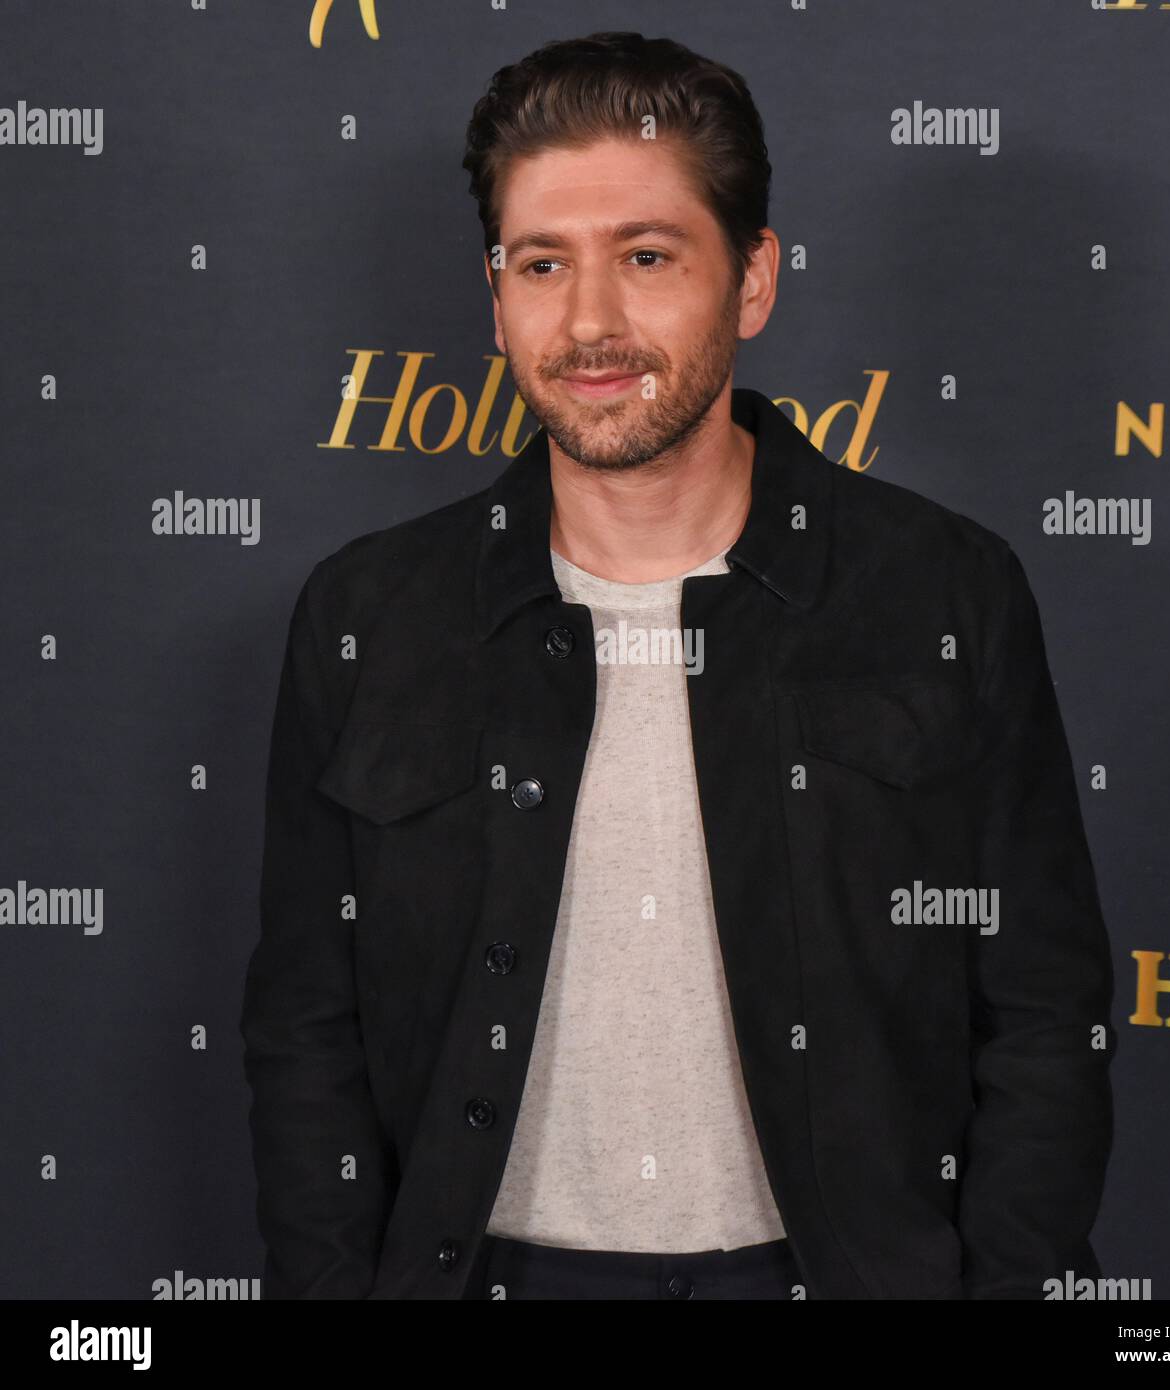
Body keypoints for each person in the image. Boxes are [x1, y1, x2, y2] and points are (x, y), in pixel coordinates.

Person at [240, 30, 1116, 1301]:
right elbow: (304, 1033)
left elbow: (1044, 1012)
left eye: (647, 257)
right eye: (543, 263)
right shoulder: (371, 614)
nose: (590, 321)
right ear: (496, 297)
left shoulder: (938, 590)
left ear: (751, 282)